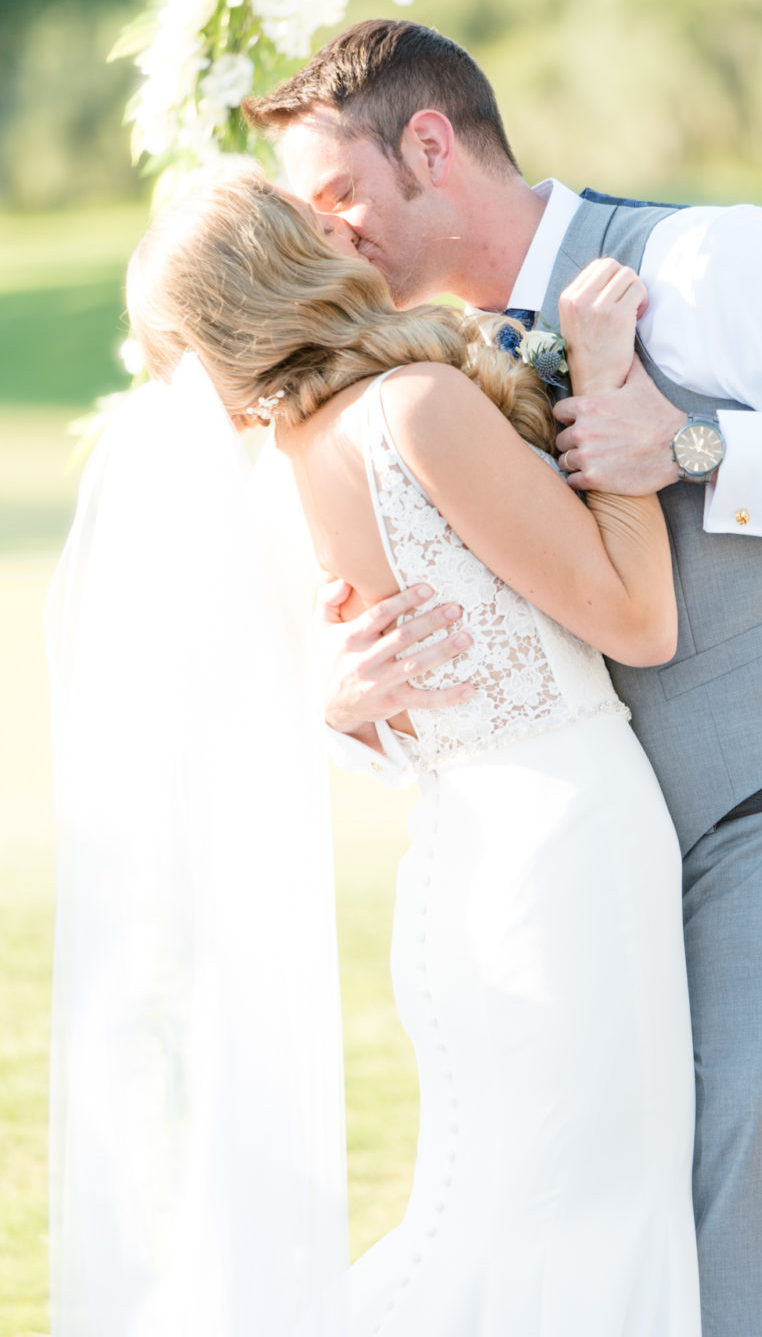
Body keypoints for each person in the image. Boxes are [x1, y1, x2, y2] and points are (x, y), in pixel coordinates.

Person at [242, 18, 762, 1337]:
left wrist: (698, 445)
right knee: (636, 1272)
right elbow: (486, 659)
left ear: (430, 146)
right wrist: (349, 708)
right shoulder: (428, 379)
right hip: (603, 890)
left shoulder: (709, 260)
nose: (330, 237)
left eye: (341, 196)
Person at [48, 160, 702, 1336]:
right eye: (315, 215)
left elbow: (354, 712)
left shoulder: (284, 479)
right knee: (586, 1221)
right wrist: (601, 382)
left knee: (499, 1215)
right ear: (290, 260)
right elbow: (640, 619)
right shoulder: (417, 409)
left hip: (459, 868)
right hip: (567, 853)